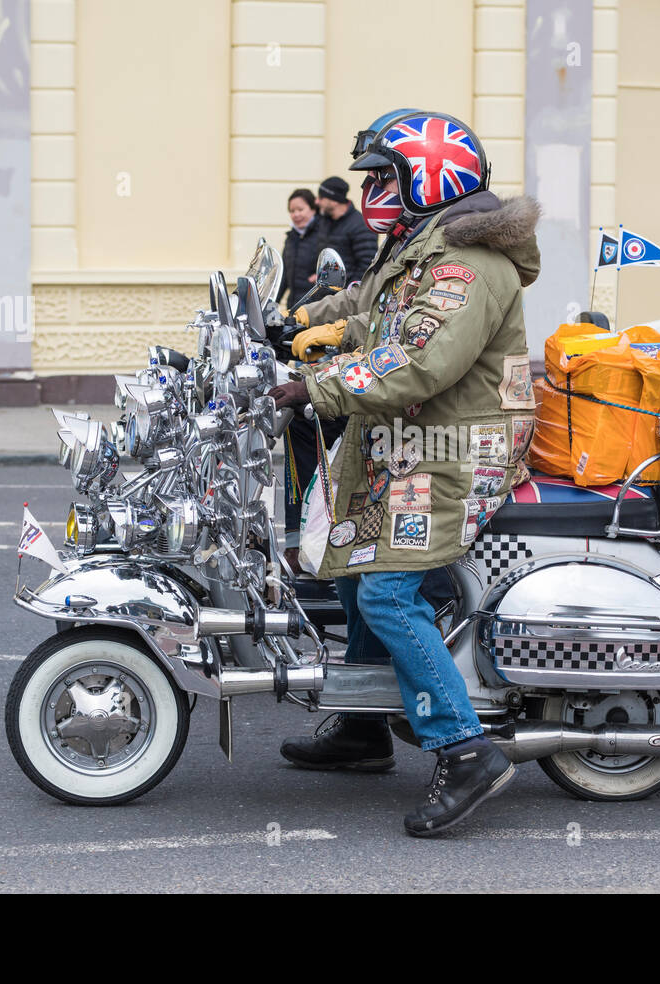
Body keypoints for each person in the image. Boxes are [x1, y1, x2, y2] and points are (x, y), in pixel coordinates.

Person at [267, 109, 541, 836]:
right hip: (414, 437)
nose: (373, 190)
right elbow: (372, 314)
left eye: (385, 175)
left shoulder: (469, 264)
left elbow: (421, 360)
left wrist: (314, 388)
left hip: (459, 448)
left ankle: (465, 747)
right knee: (354, 560)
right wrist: (296, 324)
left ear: (430, 173)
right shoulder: (422, 245)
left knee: (388, 593)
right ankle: (364, 727)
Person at [314, 175, 380, 279]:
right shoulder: (324, 221)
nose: (317, 202)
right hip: (326, 292)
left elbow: (366, 267)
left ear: (334, 201)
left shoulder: (360, 225)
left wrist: (347, 291)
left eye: (321, 197)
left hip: (346, 293)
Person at [279, 188, 322, 310]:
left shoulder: (323, 234)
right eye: (292, 211)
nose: (296, 214)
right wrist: (271, 305)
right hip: (293, 307)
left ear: (313, 209)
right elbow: (284, 277)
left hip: (316, 309)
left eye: (300, 209)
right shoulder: (291, 238)